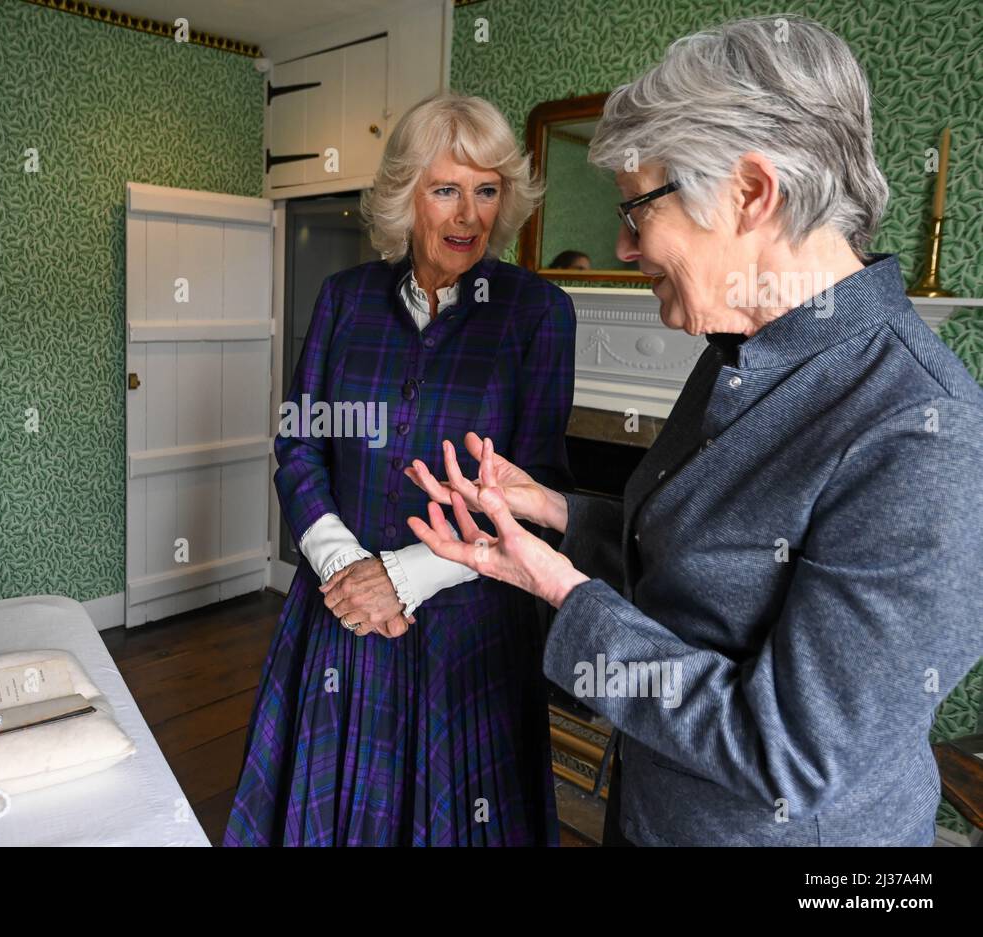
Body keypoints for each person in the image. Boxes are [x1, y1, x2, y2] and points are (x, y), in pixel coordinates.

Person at [405, 15, 983, 846]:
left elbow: (788, 751)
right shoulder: (738, 350)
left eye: (638, 208)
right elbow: (699, 569)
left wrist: (563, 592)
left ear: (751, 193)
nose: (621, 245)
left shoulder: (927, 434)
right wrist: (557, 512)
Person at [226, 93, 576, 845]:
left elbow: (539, 492)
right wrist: (345, 567)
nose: (469, 215)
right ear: (405, 193)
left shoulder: (537, 314)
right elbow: (300, 444)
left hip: (469, 631)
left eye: (487, 191)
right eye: (446, 188)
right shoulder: (345, 301)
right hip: (341, 611)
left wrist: (405, 575)